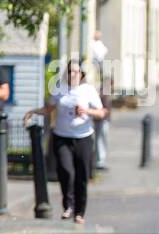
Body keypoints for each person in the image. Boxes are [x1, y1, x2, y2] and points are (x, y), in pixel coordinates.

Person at [26, 60, 107, 223]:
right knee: (66, 171)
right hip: (62, 136)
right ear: (66, 74)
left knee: (82, 175)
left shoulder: (88, 90)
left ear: (81, 75)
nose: (73, 75)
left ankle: (79, 212)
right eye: (70, 71)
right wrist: (32, 112)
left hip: (83, 137)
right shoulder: (59, 90)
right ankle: (68, 206)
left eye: (77, 72)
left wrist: (87, 111)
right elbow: (48, 110)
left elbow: (102, 113)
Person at [89, 31, 111, 170]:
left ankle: (99, 161)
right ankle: (95, 161)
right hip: (93, 111)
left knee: (102, 136)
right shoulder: (92, 78)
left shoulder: (105, 76)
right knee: (95, 136)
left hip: (103, 111)